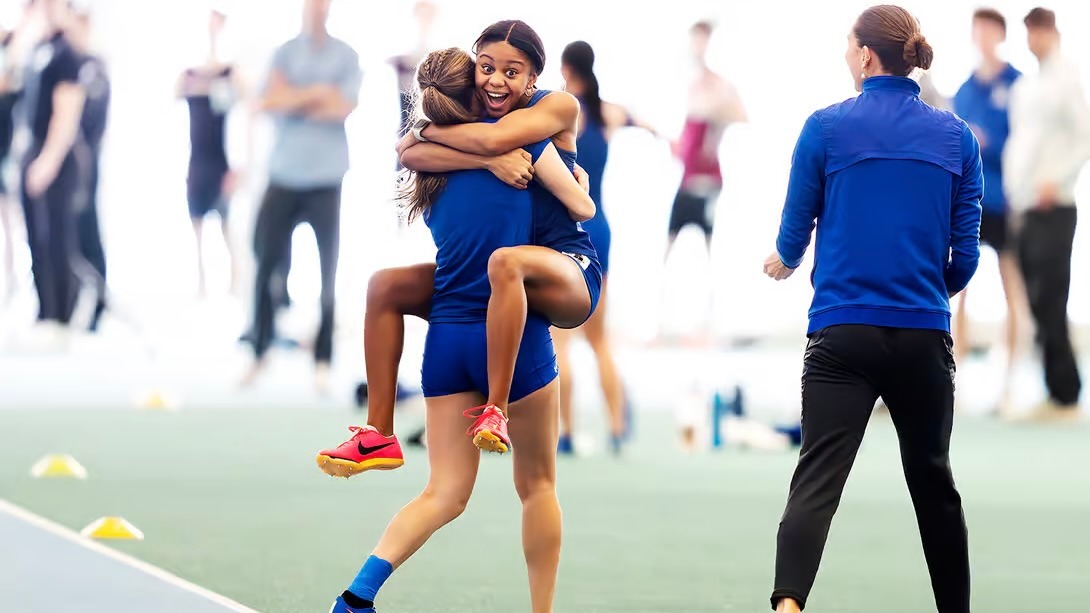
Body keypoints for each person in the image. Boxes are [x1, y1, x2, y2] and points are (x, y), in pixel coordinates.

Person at [327, 45, 591, 613]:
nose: (496, 82)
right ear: (474, 91)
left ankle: (356, 596)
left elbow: (408, 146)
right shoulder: (520, 145)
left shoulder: (428, 162)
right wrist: (536, 170)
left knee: (444, 493)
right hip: (510, 336)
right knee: (538, 487)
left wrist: (459, 149)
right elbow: (579, 205)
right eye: (486, 73)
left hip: (445, 337)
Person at [762, 5, 981, 612]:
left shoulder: (825, 127)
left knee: (816, 482)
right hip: (922, 338)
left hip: (841, 336)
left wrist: (782, 261)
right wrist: (924, 289)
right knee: (934, 483)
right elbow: (965, 255)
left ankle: (787, 608)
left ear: (864, 57)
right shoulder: (958, 137)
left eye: (847, 47)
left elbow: (793, 230)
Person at [316, 20, 602, 472]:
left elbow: (576, 203)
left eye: (512, 71)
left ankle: (497, 409)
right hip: (506, 275)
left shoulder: (553, 109)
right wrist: (480, 159)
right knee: (385, 286)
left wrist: (430, 133)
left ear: (533, 77)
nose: (496, 80)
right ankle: (377, 433)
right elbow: (408, 151)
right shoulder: (478, 129)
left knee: (505, 262)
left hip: (567, 265)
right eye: (486, 68)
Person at [241, 0, 361, 391]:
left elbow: (341, 107)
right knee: (264, 264)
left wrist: (292, 95)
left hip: (326, 177)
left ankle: (323, 360)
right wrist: (317, 93)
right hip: (283, 173)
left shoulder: (346, 54)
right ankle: (259, 352)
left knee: (328, 273)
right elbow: (266, 102)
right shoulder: (284, 52)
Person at [553, 40, 650, 454]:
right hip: (600, 227)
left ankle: (565, 432)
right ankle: (614, 428)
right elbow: (638, 121)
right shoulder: (606, 112)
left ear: (565, 67)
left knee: (559, 339)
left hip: (564, 229)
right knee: (599, 340)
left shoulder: (558, 111)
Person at [1003, 6, 1090, 420]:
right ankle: (1055, 387)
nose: (1030, 40)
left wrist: (1055, 179)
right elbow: (1022, 143)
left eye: (1034, 32)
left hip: (1056, 204)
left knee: (1051, 298)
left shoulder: (1068, 79)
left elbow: (1082, 137)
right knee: (1035, 302)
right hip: (1026, 206)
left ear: (1049, 32)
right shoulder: (1028, 87)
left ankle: (1067, 394)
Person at [951, 7, 1023, 412]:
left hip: (1006, 200)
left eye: (989, 31)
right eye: (976, 31)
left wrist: (989, 143)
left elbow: (1023, 141)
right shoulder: (964, 90)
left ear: (1000, 34)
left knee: (1012, 284)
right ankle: (953, 376)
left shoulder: (1017, 85)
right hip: (969, 201)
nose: (982, 38)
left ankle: (1009, 383)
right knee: (959, 288)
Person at [660, 20, 746, 338]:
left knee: (708, 248)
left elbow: (739, 114)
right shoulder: (693, 84)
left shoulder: (717, 85)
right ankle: (660, 322)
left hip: (706, 182)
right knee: (668, 247)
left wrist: (714, 113)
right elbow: (687, 141)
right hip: (688, 176)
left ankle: (710, 322)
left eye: (699, 41)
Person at [20, 0, 88, 343]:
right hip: (29, 152)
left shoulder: (66, 54)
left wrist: (48, 160)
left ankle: (61, 316)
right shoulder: (37, 49)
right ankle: (44, 311)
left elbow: (67, 113)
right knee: (35, 239)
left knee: (57, 238)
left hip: (56, 158)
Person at [176, 8, 249, 298]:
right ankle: (201, 281)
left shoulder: (232, 75)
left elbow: (248, 109)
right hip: (197, 160)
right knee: (196, 225)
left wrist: (239, 167)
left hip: (221, 161)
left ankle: (234, 281)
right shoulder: (188, 75)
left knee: (225, 225)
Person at [67, 4, 109, 332]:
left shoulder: (93, 68)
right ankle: (75, 302)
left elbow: (89, 125)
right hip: (71, 166)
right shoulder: (72, 64)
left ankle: (99, 303)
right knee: (72, 239)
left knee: (88, 234)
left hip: (85, 165)